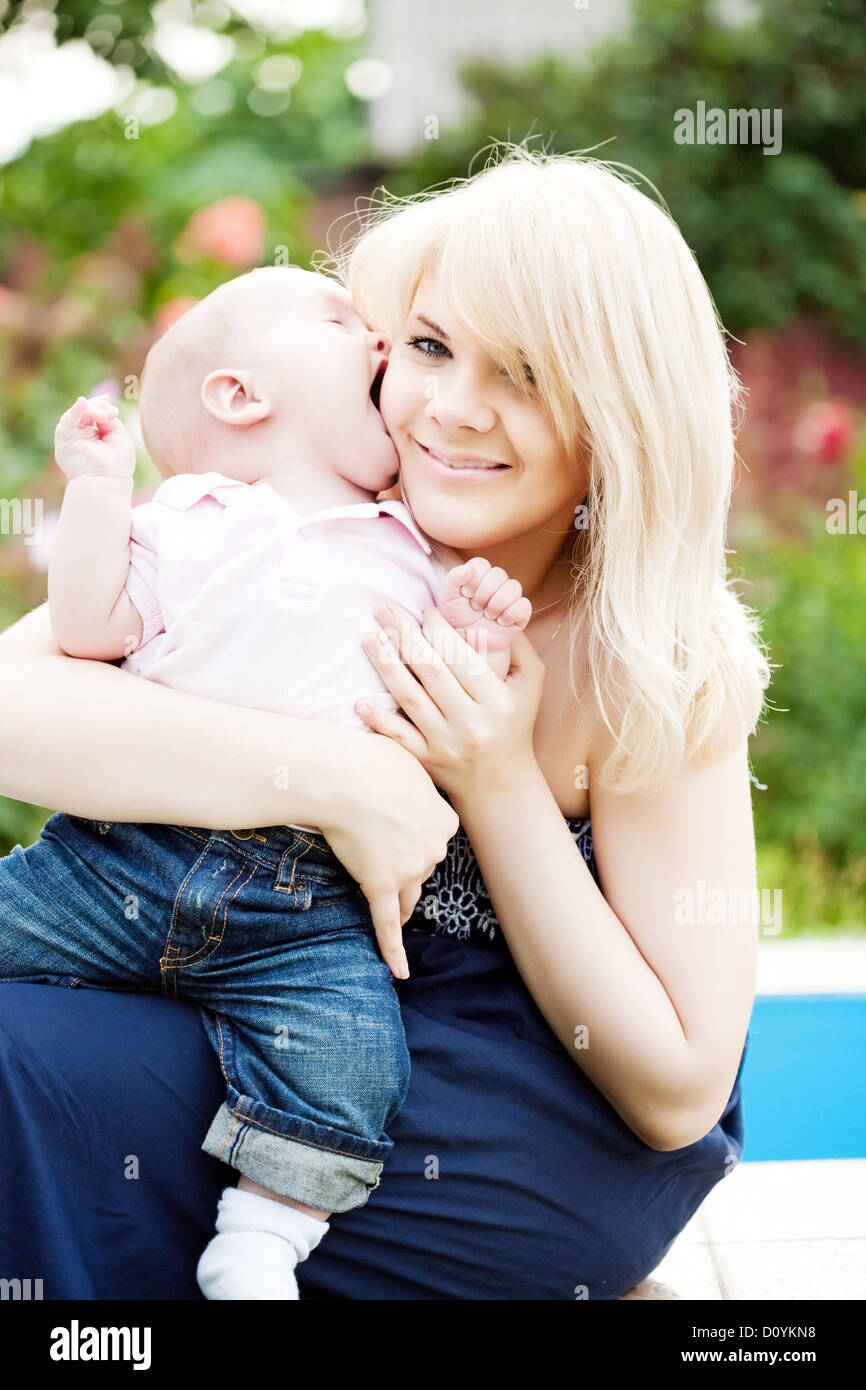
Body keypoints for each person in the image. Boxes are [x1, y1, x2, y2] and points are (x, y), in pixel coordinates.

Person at [0, 145, 771, 1300]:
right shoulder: (301, 537)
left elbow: (673, 1092)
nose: (453, 409)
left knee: (39, 1070)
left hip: (516, 1106)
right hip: (250, 1010)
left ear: (618, 415)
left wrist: (496, 775)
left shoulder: (642, 648)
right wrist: (330, 778)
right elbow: (19, 705)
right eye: (426, 346)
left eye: (523, 372)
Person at [1, 264, 531, 1300]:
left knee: (354, 1060)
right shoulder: (185, 520)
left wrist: (474, 624)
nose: (382, 347)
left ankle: (259, 1237)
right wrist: (102, 494)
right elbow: (87, 628)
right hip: (121, 854)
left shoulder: (414, 548)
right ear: (241, 395)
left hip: (305, 901)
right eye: (345, 324)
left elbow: (436, 697)